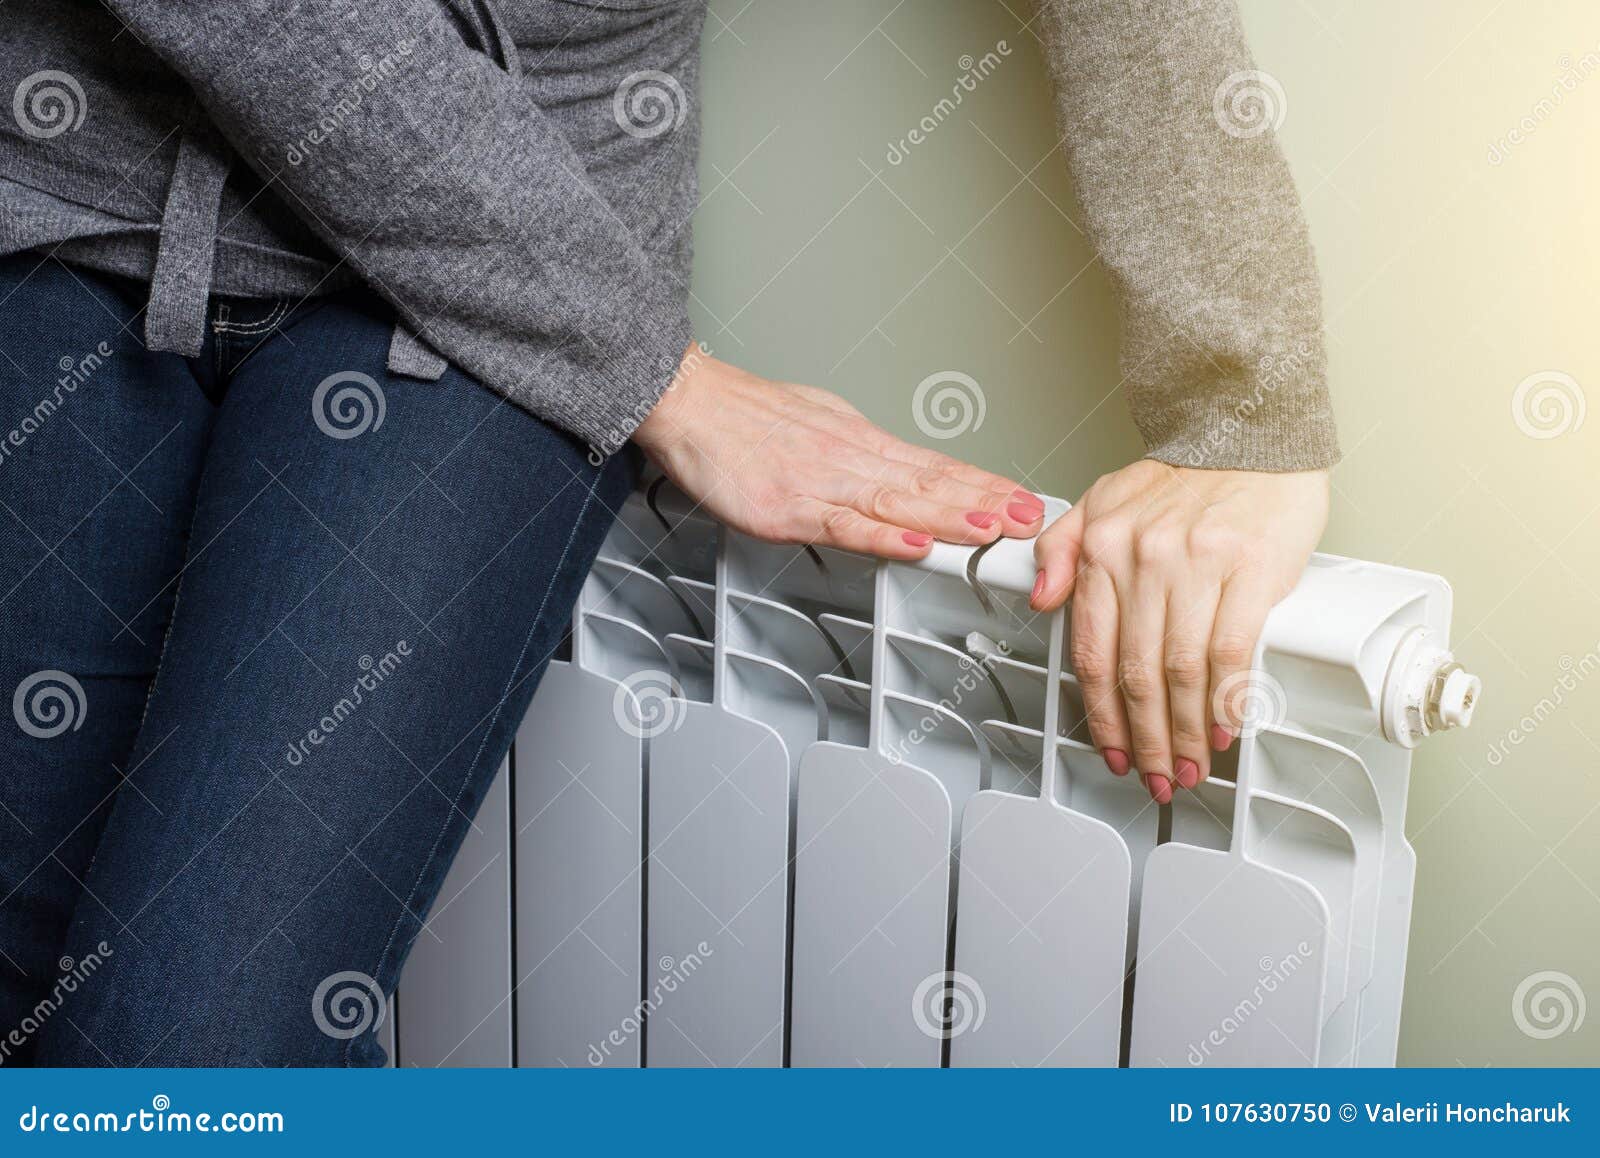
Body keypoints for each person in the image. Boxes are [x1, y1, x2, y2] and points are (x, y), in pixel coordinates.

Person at [0, 0, 1336, 1066]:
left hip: (512, 286)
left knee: (176, 1061)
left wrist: (1246, 401)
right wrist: (666, 379)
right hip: (66, 201)